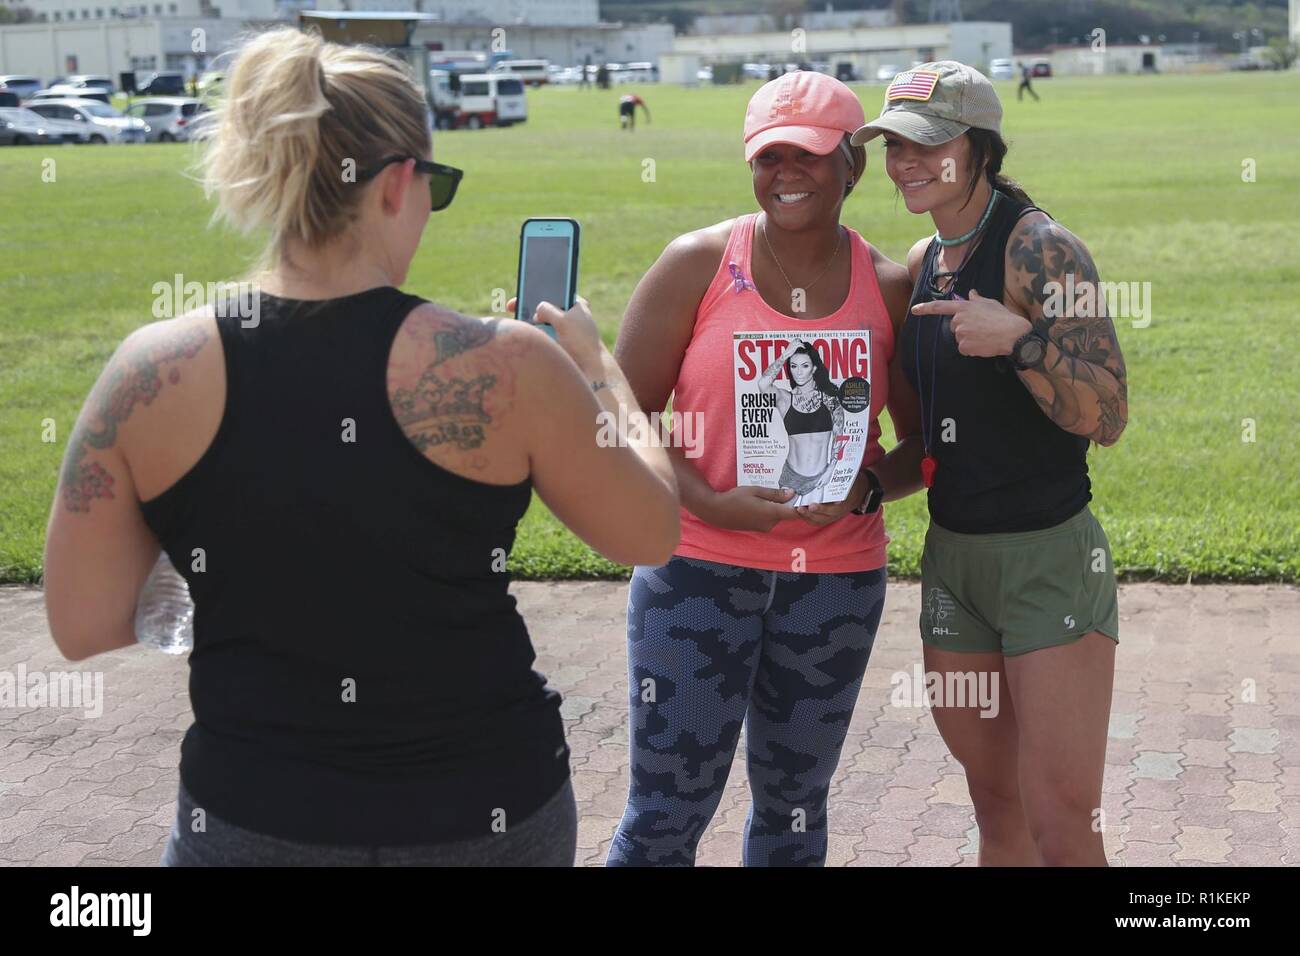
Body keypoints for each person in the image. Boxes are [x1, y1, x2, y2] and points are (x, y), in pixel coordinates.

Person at [42, 26, 679, 867]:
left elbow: (82, 623)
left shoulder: (150, 372)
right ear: (394, 185)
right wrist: (599, 372)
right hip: (485, 808)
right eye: (434, 187)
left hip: (251, 812)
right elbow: (651, 531)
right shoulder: (509, 365)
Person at [606, 70, 923, 866]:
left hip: (835, 584)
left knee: (793, 810)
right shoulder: (697, 264)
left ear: (851, 162)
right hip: (697, 576)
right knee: (665, 813)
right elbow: (618, 416)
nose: (786, 174)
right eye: (767, 156)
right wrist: (709, 499)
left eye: (808, 156)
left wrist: (873, 483)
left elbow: (925, 443)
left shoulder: (888, 287)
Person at [851, 61, 1127, 865]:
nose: (906, 163)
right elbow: (934, 441)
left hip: (1047, 558)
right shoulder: (926, 257)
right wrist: (870, 483)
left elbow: (1107, 415)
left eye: (927, 145)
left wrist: (1021, 341)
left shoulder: (1042, 249)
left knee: (1063, 821)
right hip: (955, 566)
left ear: (979, 147)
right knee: (996, 805)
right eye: (894, 145)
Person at [756, 338, 847, 505]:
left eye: (804, 366)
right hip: (791, 478)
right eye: (793, 366)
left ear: (814, 368)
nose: (798, 372)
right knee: (784, 526)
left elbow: (840, 435)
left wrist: (831, 468)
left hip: (819, 476)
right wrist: (785, 355)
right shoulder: (785, 399)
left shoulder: (830, 399)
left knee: (816, 523)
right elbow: (763, 384)